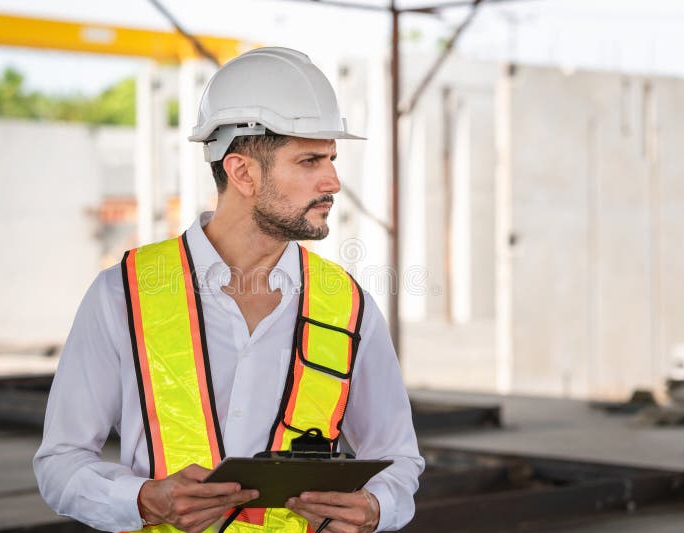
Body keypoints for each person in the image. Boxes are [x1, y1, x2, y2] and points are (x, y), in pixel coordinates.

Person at [34, 47, 424, 533]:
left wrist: (376, 508)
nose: (333, 181)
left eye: (331, 158)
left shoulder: (348, 305)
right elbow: (60, 463)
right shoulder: (123, 295)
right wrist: (141, 499)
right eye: (309, 161)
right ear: (242, 172)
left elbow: (397, 457)